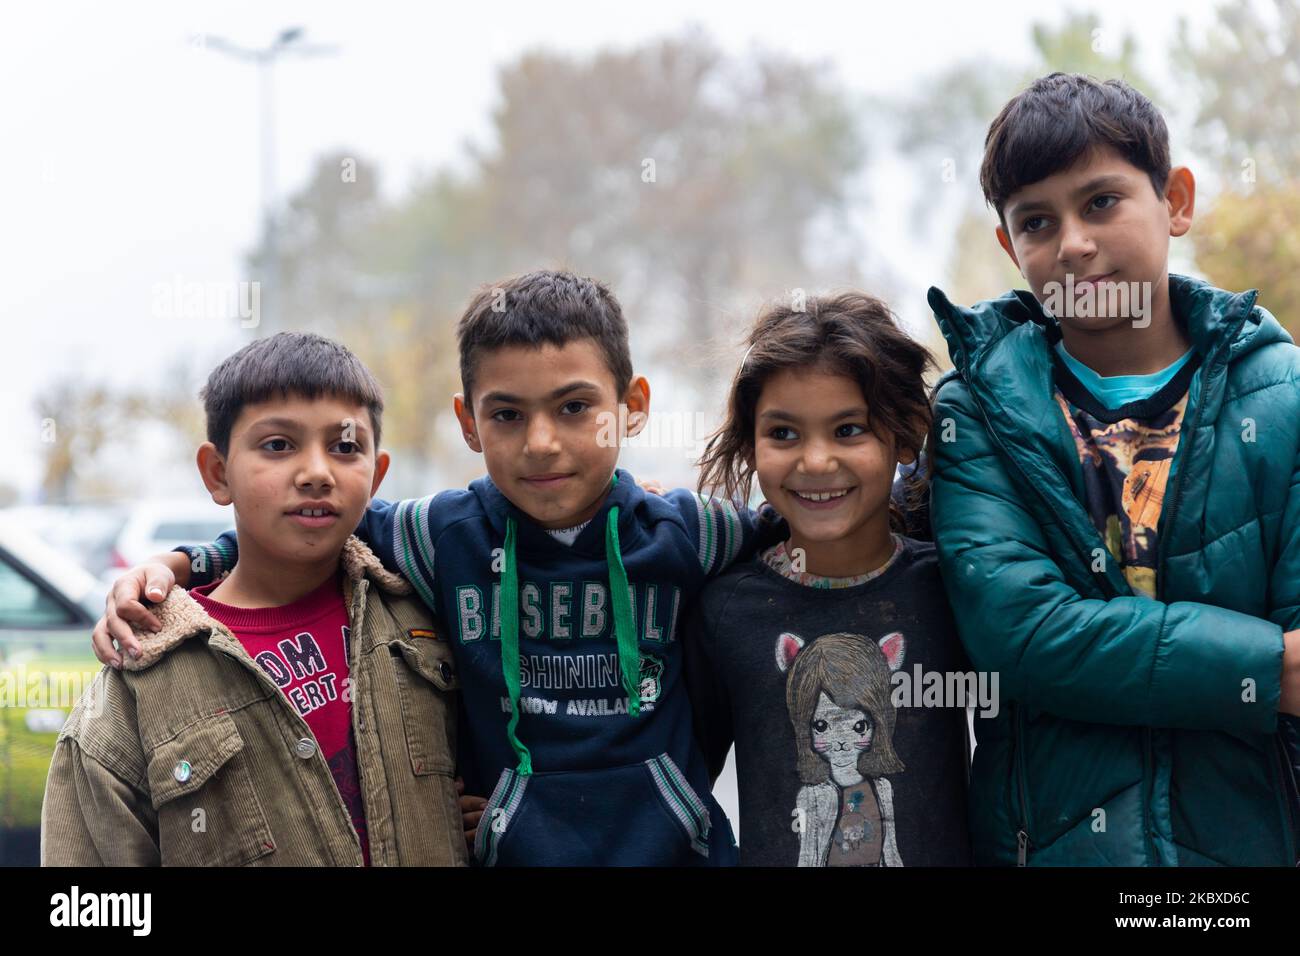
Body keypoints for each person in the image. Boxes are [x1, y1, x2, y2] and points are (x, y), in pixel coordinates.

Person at [91, 270, 778, 866]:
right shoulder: (440, 536)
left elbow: (815, 519)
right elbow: (306, 522)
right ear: (469, 423)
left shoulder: (689, 532)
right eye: (507, 414)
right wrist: (179, 565)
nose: (541, 443)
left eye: (574, 408)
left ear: (631, 410)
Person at [928, 72, 1300, 865]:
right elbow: (1024, 635)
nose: (1072, 243)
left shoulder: (1285, 400)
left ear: (1176, 201)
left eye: (1100, 202)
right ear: (1008, 245)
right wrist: (1263, 666)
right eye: (1036, 220)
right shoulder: (975, 412)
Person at [42, 332, 466, 866]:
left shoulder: (423, 614)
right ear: (218, 474)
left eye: (345, 447)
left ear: (377, 474)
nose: (317, 472)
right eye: (278, 445)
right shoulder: (137, 690)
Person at [684, 291, 972, 866]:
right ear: (749, 442)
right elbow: (678, 787)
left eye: (848, 430)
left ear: (907, 433)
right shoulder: (725, 612)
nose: (815, 462)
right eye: (784, 434)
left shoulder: (953, 589)